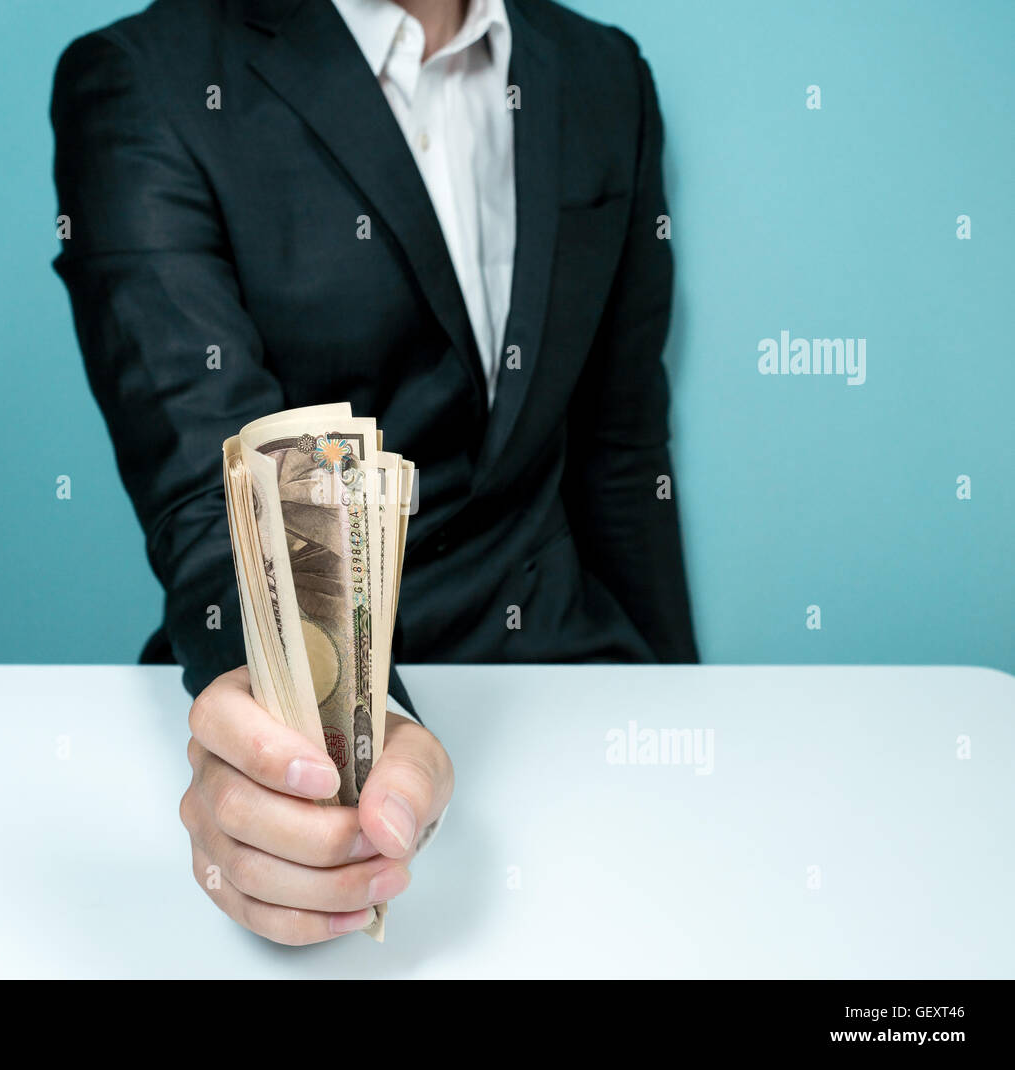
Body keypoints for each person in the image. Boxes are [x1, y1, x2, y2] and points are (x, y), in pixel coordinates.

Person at [51, 0, 697, 944]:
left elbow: (624, 454)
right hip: (309, 723)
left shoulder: (603, 72)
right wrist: (359, 726)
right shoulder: (145, 79)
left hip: (575, 694)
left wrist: (682, 720)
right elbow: (212, 494)